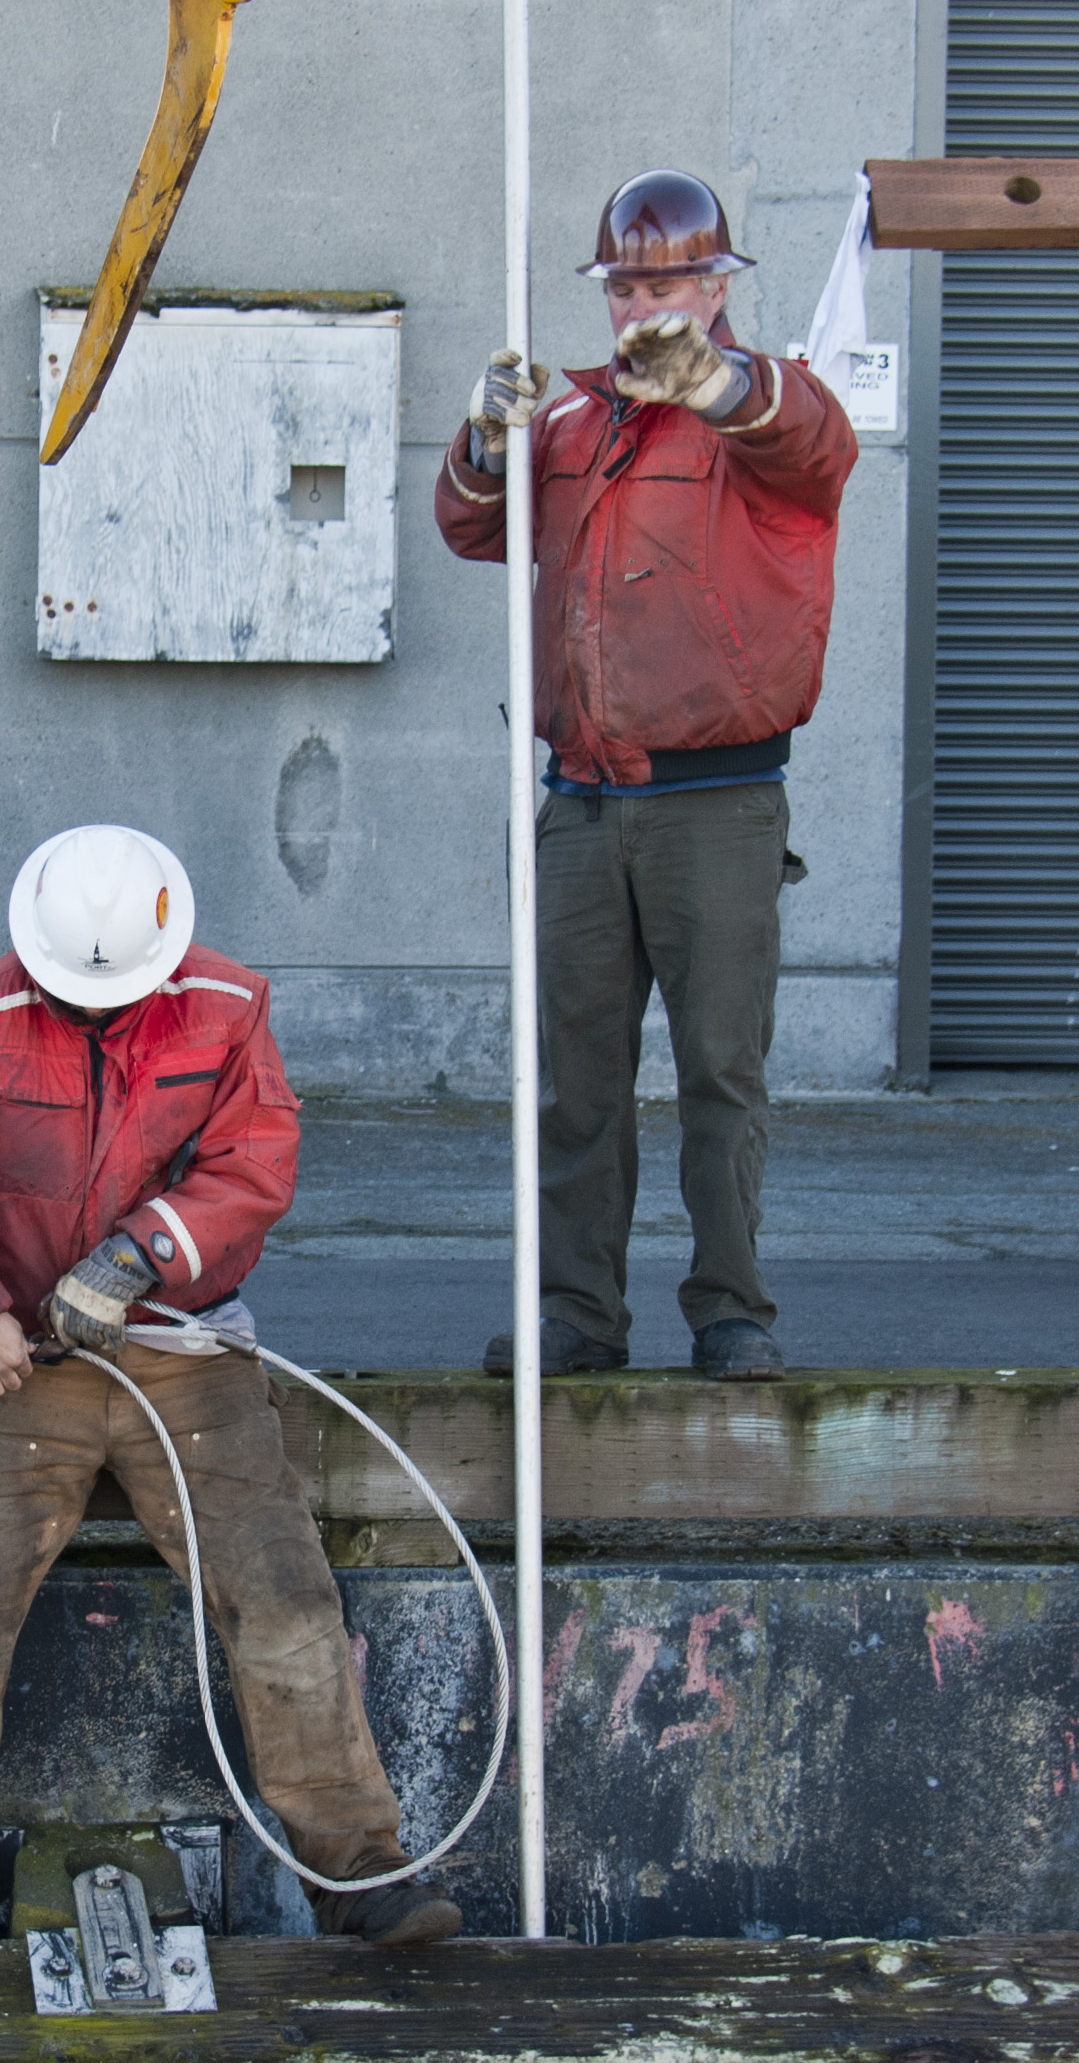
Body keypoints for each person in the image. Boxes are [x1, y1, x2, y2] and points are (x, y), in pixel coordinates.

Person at [0, 826, 461, 1950]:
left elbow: (254, 1161)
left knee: (285, 1598)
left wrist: (136, 1256)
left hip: (189, 1355)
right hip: (23, 1367)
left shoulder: (227, 1005)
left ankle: (362, 1874)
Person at [434, 168, 860, 1382]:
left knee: (721, 1070)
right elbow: (468, 526)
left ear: (717, 286)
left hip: (714, 799)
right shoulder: (569, 421)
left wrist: (719, 384)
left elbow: (810, 435)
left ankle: (733, 1311)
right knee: (579, 1081)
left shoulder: (763, 412)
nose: (641, 306)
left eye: (666, 282)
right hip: (582, 796)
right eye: (625, 285)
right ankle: (580, 1315)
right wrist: (481, 434)